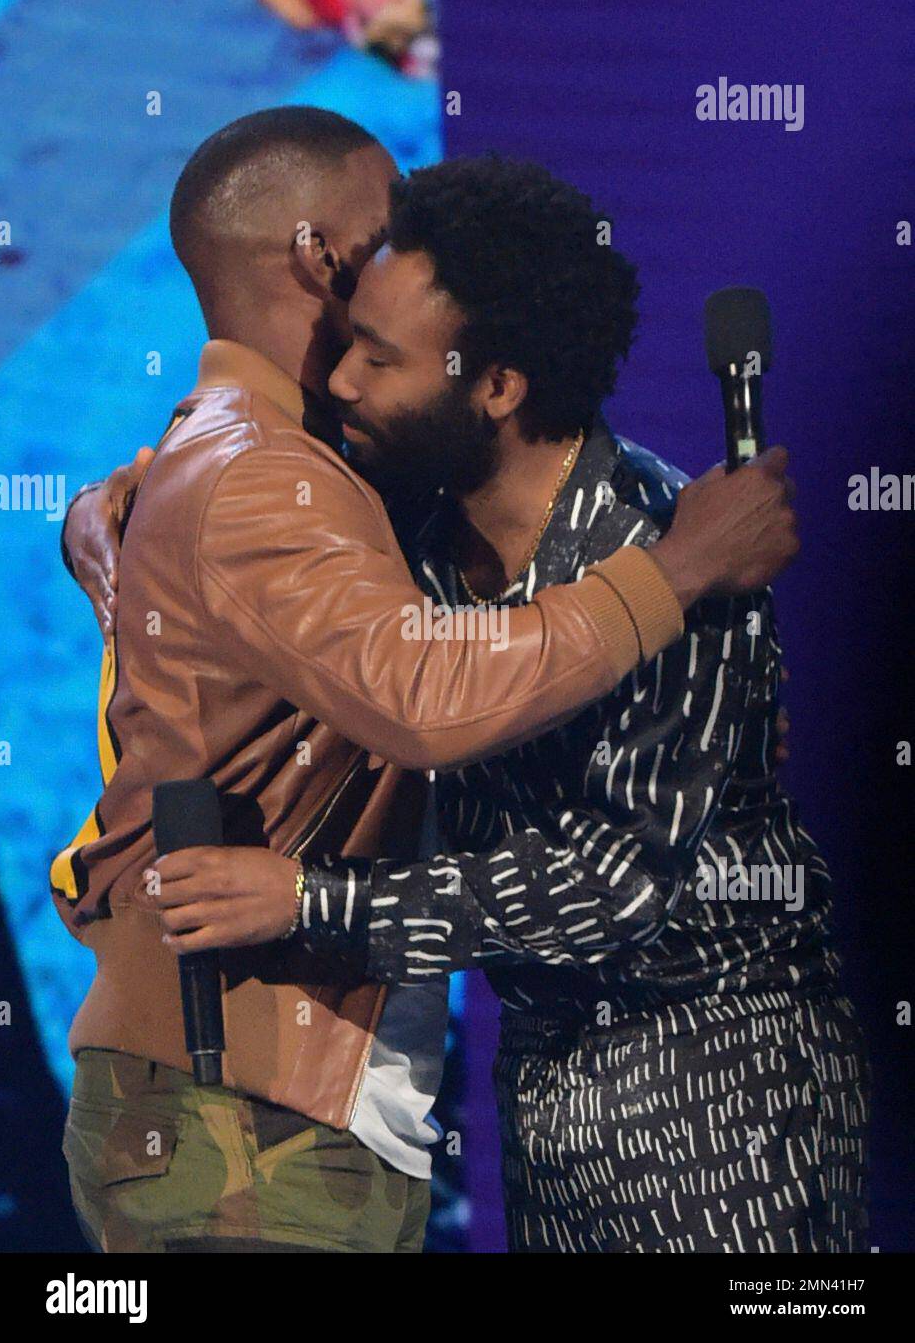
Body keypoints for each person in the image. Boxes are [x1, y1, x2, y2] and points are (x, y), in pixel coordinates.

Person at [55, 111, 798, 1255]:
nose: (409, 244)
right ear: (321, 256)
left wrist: (116, 563)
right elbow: (421, 696)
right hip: (242, 1119)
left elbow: (609, 869)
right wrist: (679, 572)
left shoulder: (309, 474)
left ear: (497, 384)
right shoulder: (271, 476)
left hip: (639, 1118)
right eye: (393, 214)